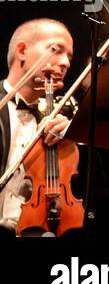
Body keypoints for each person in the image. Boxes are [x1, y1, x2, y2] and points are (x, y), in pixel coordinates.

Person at [1, 19, 74, 236]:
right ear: (22, 51)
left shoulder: (54, 124)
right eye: (56, 50)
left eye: (69, 57)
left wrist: (69, 141)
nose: (66, 63)